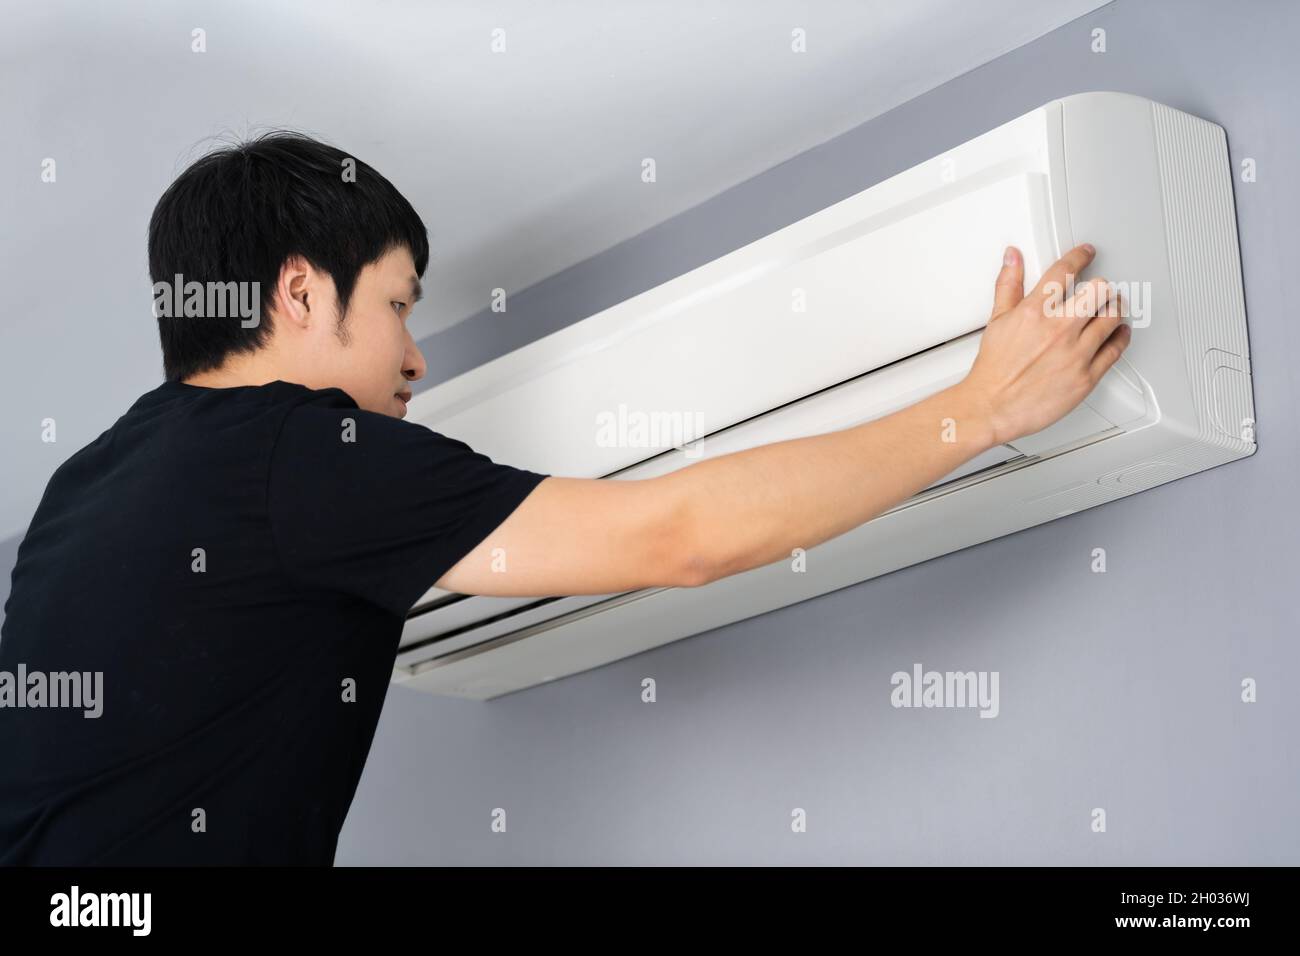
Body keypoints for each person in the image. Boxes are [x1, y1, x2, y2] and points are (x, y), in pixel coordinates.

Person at [0, 131, 1129, 865]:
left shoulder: (80, 488)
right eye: (399, 304)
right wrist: (973, 412)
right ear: (301, 291)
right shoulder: (298, 451)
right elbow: (675, 535)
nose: (415, 357)